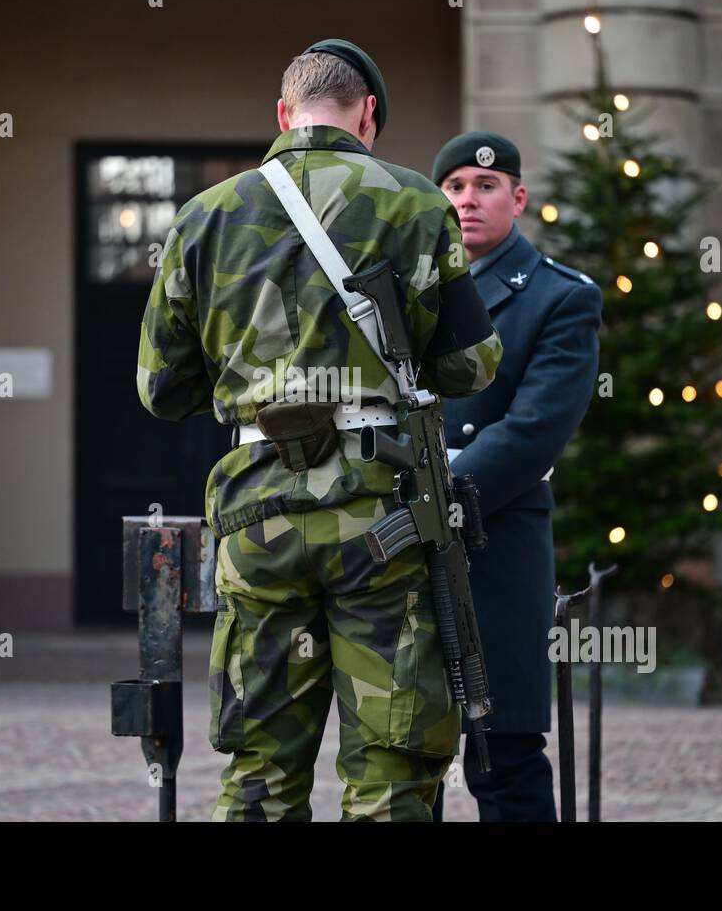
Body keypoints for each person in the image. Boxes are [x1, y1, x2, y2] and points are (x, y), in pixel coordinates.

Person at [136, 41, 503, 820]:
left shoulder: (204, 216)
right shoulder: (414, 203)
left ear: (283, 114)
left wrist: (253, 384)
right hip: (383, 518)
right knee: (393, 771)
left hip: (255, 515)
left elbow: (160, 389)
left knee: (260, 771)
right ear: (368, 113)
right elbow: (471, 367)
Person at [429, 131, 602, 822]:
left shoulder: (560, 298)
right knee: (404, 756)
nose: (469, 201)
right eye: (455, 188)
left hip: (491, 545)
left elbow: (534, 432)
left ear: (518, 198)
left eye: (486, 186)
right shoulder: (415, 288)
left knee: (504, 761)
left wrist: (434, 498)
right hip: (402, 548)